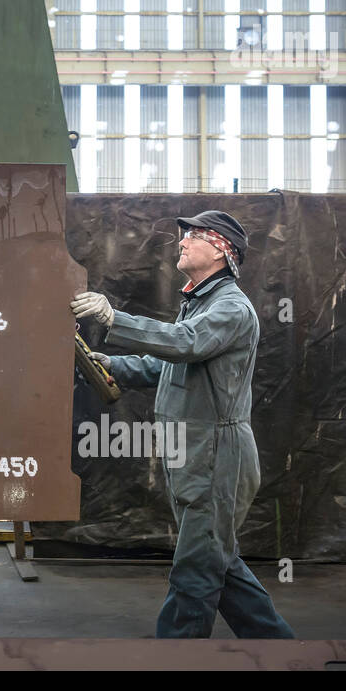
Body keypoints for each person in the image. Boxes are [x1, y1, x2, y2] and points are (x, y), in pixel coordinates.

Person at [70, 210, 294, 640]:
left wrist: (113, 318)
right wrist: (111, 363)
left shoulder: (229, 308)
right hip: (196, 454)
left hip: (216, 457)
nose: (183, 242)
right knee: (218, 561)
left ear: (220, 250)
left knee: (196, 569)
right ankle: (281, 651)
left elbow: (184, 343)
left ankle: (175, 656)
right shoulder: (202, 302)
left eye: (194, 236)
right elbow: (167, 362)